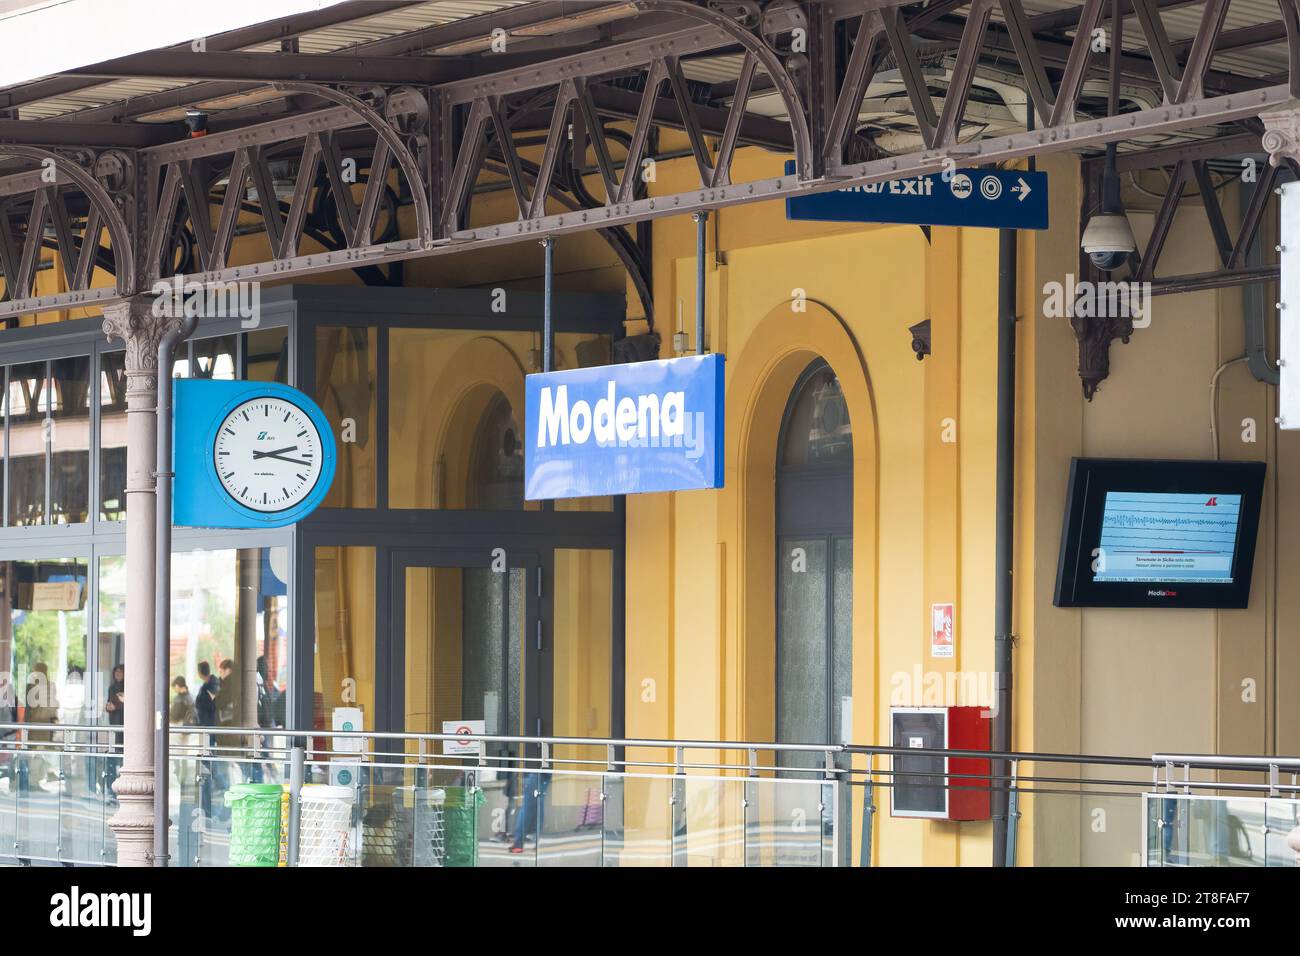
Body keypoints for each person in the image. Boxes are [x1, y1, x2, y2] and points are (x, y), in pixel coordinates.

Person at [103, 664, 124, 798]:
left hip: (125, 727)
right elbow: (110, 703)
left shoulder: (128, 686)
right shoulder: (112, 687)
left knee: (122, 758)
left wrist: (117, 705)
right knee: (112, 757)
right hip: (114, 726)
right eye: (116, 671)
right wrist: (109, 706)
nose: (118, 674)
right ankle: (111, 789)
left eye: (120, 672)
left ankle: (120, 788)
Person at [195, 661, 219, 728]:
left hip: (210, 724)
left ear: (200, 672)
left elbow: (211, 705)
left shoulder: (212, 685)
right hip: (205, 724)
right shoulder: (206, 685)